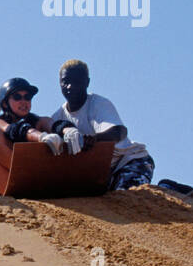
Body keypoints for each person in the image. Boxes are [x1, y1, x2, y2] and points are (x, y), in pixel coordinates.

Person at [51, 59, 155, 191]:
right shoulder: (58, 117)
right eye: (66, 82)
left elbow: (119, 132)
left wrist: (93, 139)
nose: (70, 86)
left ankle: (169, 187)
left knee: (123, 197)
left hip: (129, 161)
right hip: (102, 173)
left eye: (77, 82)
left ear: (87, 82)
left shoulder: (98, 104)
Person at [0, 77, 64, 194]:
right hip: (7, 188)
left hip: (37, 184)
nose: (23, 101)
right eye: (17, 97)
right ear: (5, 103)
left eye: (27, 97)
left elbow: (52, 124)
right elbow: (15, 130)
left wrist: (67, 130)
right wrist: (41, 137)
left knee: (49, 126)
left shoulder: (40, 121)